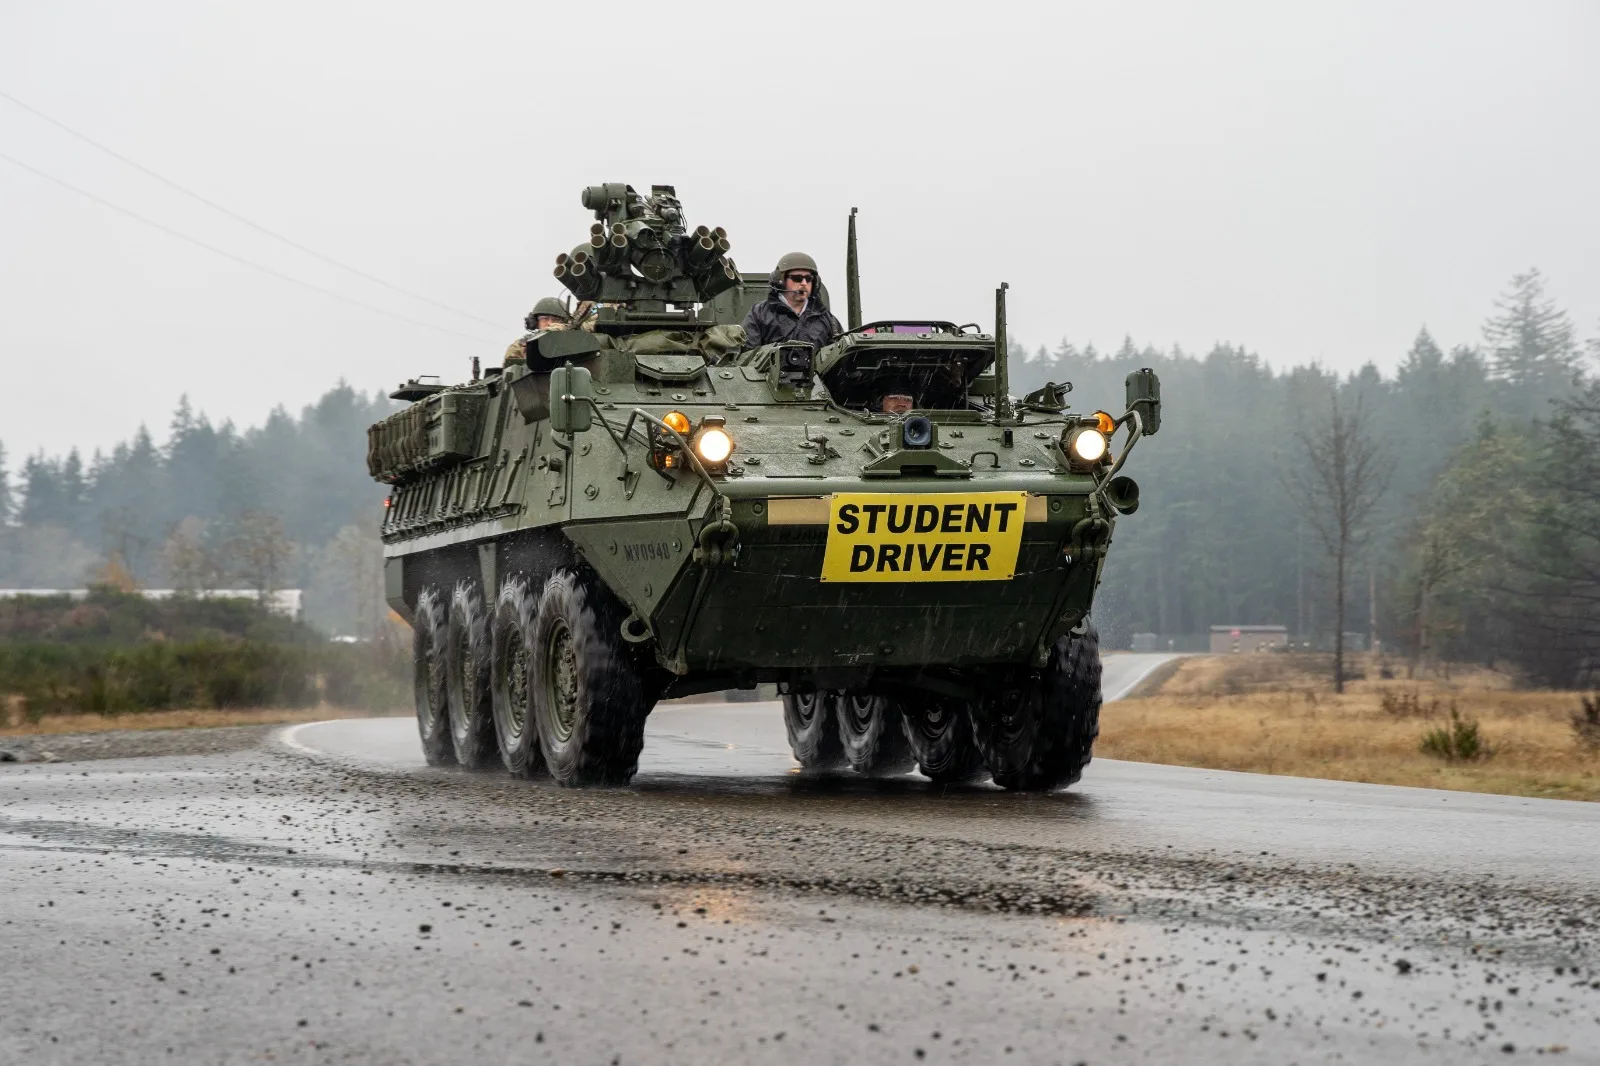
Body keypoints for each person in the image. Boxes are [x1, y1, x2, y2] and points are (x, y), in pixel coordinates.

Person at [741, 252, 841, 352]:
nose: (804, 283)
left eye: (809, 279)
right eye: (797, 278)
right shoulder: (760, 314)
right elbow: (747, 354)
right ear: (780, 280)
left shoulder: (827, 319)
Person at [502, 297, 572, 364]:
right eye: (545, 318)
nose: (550, 323)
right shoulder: (520, 345)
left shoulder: (572, 343)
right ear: (536, 322)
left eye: (556, 319)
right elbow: (510, 369)